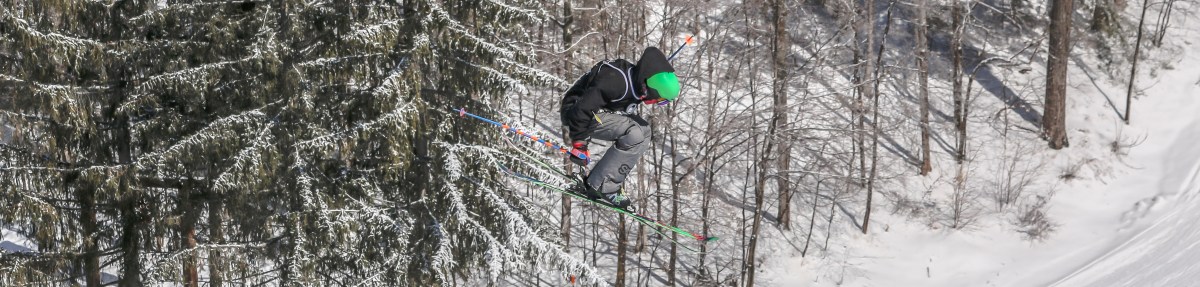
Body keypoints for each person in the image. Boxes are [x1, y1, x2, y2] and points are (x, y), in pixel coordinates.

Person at [559, 47, 681, 209]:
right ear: (651, 89)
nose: (659, 104)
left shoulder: (639, 80)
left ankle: (601, 181)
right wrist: (580, 143)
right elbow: (582, 109)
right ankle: (604, 186)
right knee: (634, 133)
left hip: (595, 113)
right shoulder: (616, 82)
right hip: (577, 114)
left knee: (645, 131)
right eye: (661, 100)